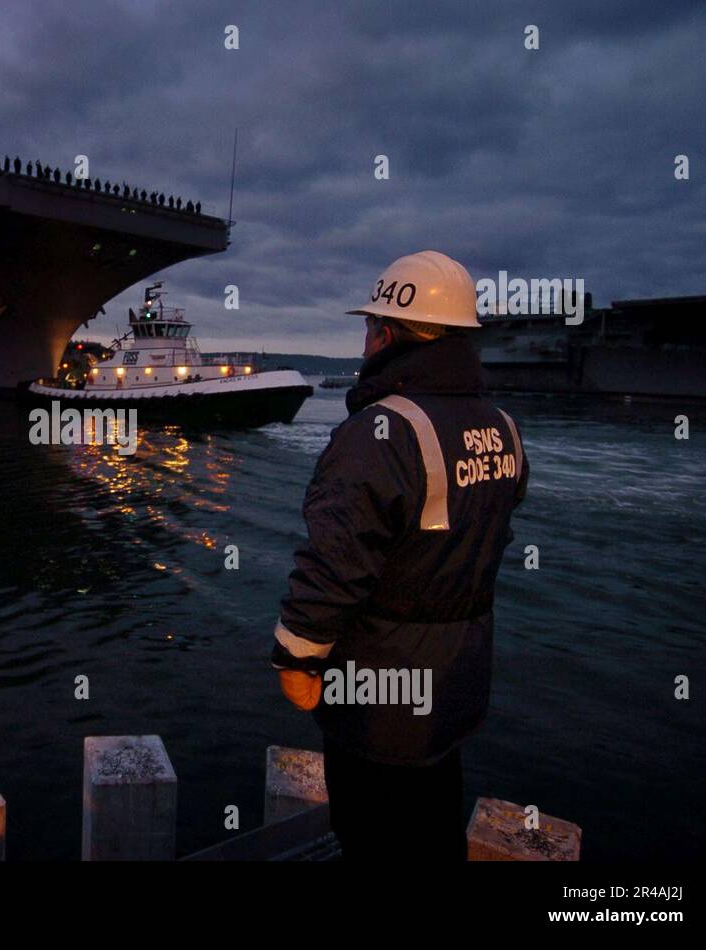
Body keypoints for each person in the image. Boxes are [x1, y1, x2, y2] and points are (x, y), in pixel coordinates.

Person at [271, 250, 529, 862]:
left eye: (368, 326)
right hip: (456, 683)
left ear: (385, 334)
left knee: (371, 837)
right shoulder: (503, 428)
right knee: (433, 828)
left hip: (378, 700)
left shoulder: (379, 432)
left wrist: (296, 656)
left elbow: (334, 561)